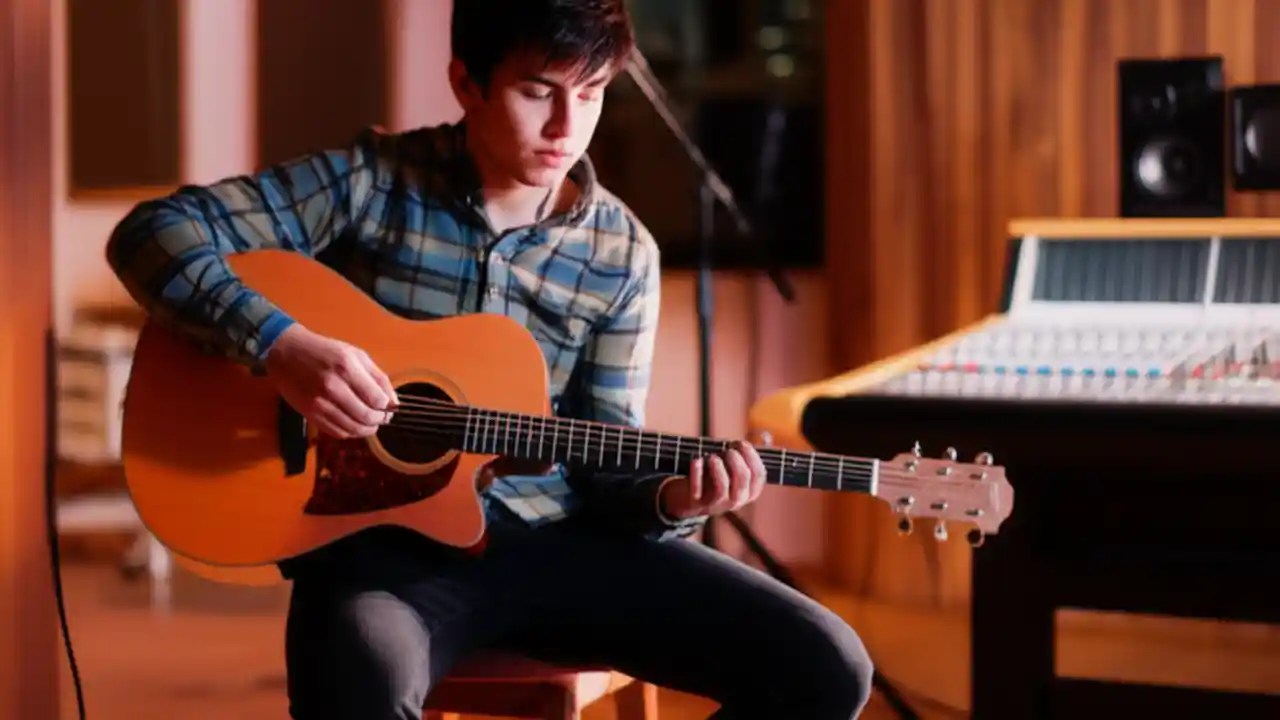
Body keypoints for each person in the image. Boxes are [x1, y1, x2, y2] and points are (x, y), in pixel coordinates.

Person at [105, 1, 873, 718]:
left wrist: (674, 499)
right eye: (539, 92)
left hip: (560, 545)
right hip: (381, 554)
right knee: (355, 684)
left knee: (827, 663)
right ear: (466, 83)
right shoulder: (371, 183)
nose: (567, 127)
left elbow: (607, 468)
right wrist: (280, 346)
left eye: (593, 93)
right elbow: (152, 233)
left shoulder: (620, 251)